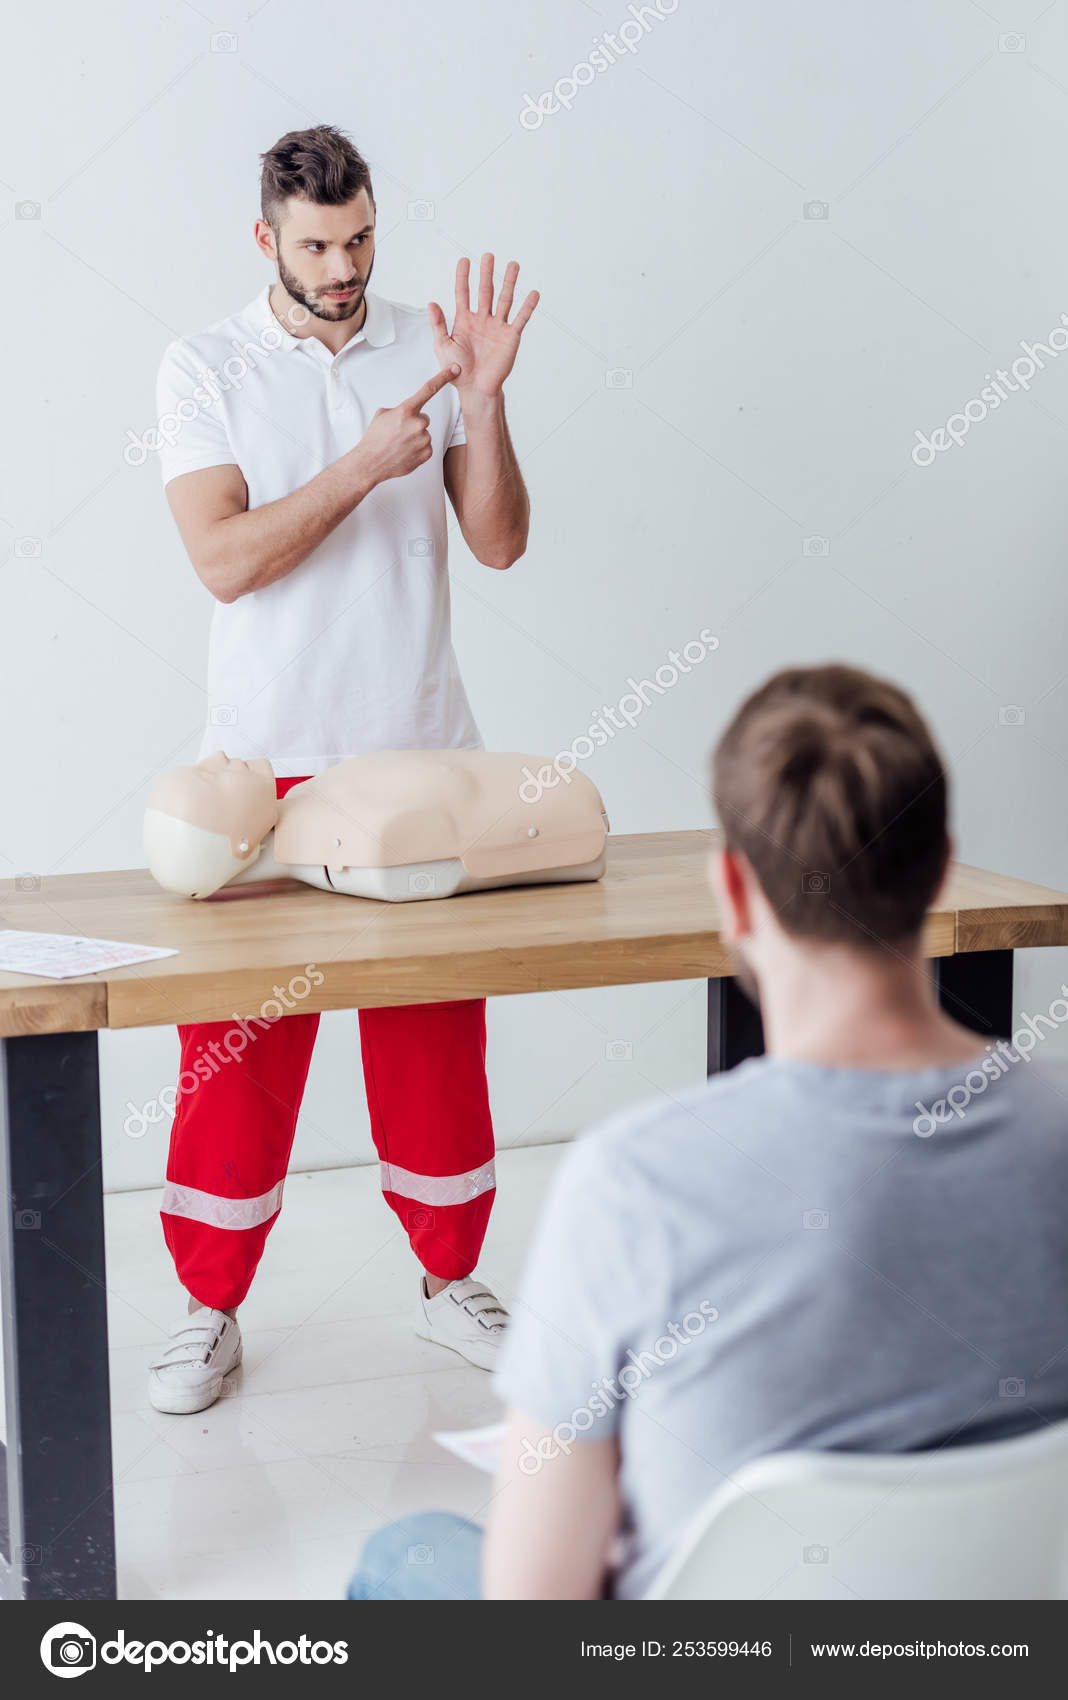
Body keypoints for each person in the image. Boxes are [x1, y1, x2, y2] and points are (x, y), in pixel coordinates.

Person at [347, 661, 1068, 1600]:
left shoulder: (636, 1182)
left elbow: (537, 1604)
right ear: (939, 870)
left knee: (405, 1555)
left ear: (731, 891)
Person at [146, 124, 538, 1415]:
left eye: (361, 239)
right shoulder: (202, 366)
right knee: (238, 1058)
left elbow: (498, 548)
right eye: (316, 245)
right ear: (267, 239)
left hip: (421, 765)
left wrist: (479, 400)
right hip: (263, 784)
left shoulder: (432, 336)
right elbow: (225, 560)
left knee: (434, 1048)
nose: (344, 267)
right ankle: (208, 1310)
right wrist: (365, 464)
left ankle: (450, 1284)